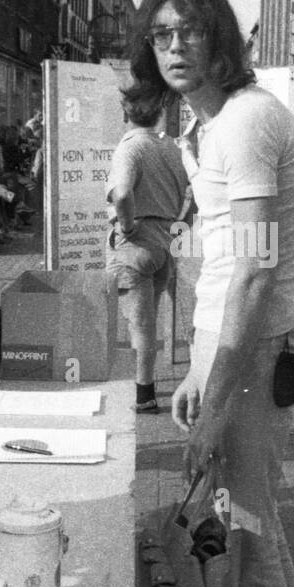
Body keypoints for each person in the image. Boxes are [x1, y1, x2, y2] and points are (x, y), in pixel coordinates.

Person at [124, 0, 294, 587]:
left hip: (260, 347)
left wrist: (214, 400)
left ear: (221, 39)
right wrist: (199, 366)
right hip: (234, 342)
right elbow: (230, 262)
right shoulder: (204, 124)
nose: (174, 47)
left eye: (191, 32)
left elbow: (259, 269)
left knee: (250, 529)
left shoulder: (242, 122)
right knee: (241, 520)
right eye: (162, 35)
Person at [105, 111, 189, 413]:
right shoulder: (172, 148)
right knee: (148, 321)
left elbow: (123, 193)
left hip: (135, 244)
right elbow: (196, 197)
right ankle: (145, 387)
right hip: (164, 243)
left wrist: (126, 228)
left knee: (139, 326)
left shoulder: (129, 147)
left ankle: (145, 395)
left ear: (125, 113)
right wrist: (180, 229)